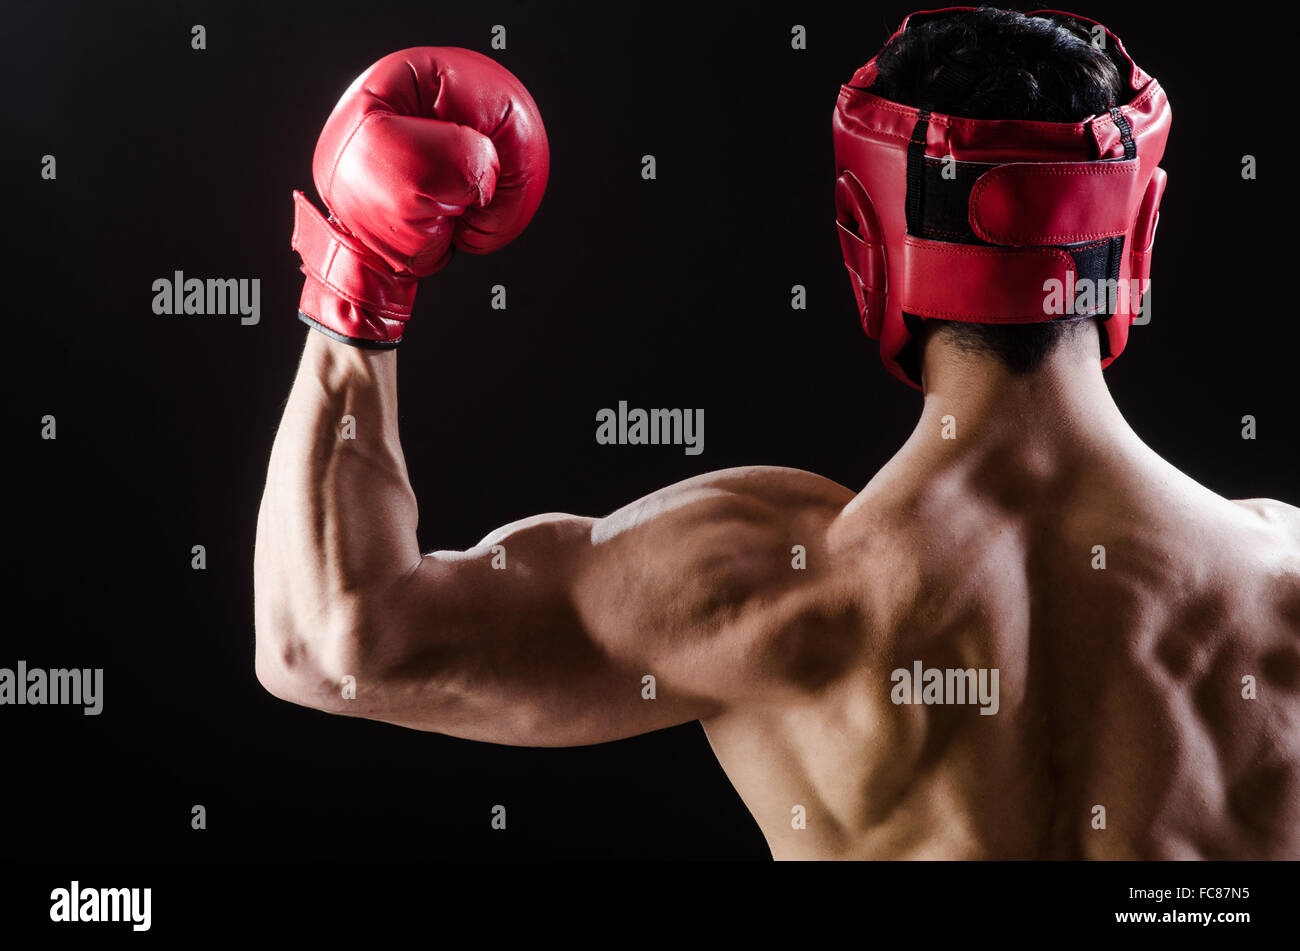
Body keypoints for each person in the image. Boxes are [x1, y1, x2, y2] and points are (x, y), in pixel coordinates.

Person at [254, 12, 1300, 859]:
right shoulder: (1281, 590)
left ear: (865, 245)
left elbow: (329, 642)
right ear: (1139, 236)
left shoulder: (775, 581)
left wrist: (361, 282)